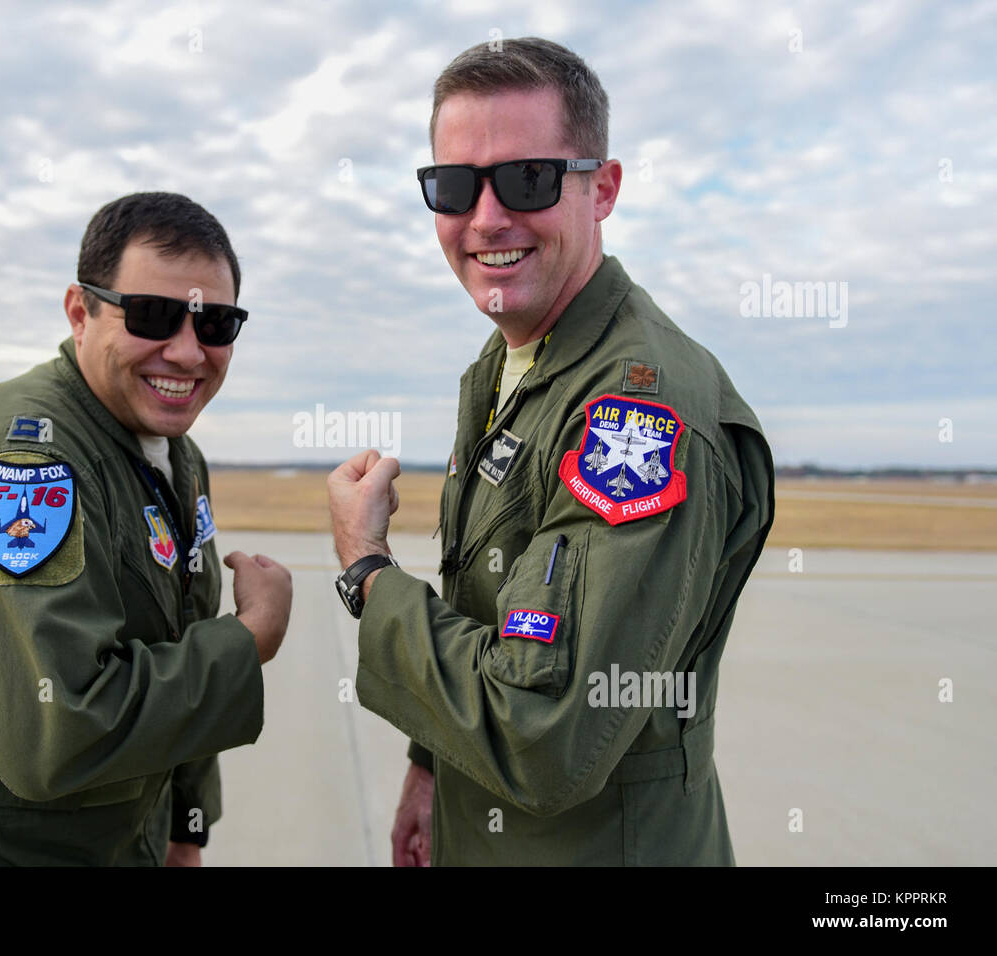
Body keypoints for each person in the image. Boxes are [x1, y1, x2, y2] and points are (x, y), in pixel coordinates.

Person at [329, 38, 774, 865]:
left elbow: (544, 733)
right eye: (454, 186)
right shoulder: (503, 370)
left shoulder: (636, 409)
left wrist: (368, 572)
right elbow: (488, 609)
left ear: (601, 189)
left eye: (528, 178)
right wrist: (430, 772)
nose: (487, 218)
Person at [0, 192, 292, 866]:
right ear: (79, 312)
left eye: (216, 324)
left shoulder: (175, 455)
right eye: (151, 315)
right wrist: (247, 641)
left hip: (122, 841)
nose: (186, 352)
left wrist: (185, 825)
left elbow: (176, 633)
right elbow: (56, 728)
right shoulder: (25, 464)